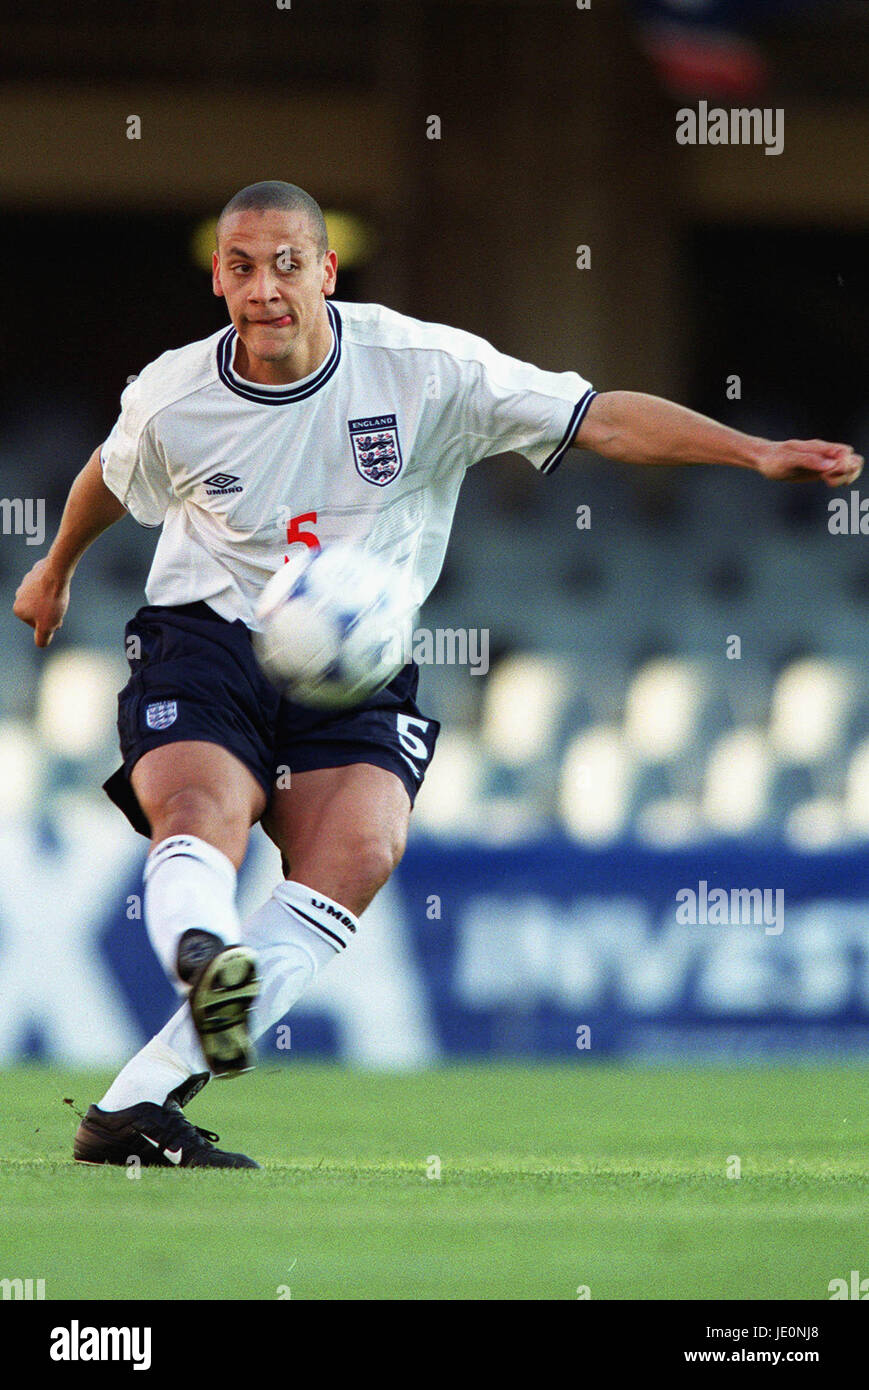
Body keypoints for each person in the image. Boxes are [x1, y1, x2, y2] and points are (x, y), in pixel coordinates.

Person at [13, 181, 863, 1168]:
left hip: (353, 664)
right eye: (241, 266)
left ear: (326, 270)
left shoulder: (426, 369)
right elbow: (107, 480)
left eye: (287, 262)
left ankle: (134, 1106)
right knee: (203, 806)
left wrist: (750, 452)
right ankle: (205, 954)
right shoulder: (176, 393)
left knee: (360, 847)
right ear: (218, 277)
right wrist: (54, 566)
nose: (264, 287)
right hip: (207, 635)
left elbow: (599, 419)